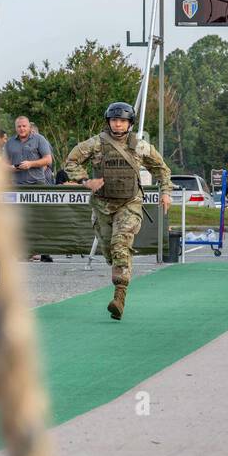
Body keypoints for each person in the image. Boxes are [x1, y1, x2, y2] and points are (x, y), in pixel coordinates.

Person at [64, 102, 171, 319]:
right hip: (102, 206)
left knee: (120, 245)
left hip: (129, 204)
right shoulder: (95, 144)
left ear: (129, 123)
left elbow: (161, 168)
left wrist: (166, 191)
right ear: (109, 122)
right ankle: (118, 272)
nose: (118, 124)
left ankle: (119, 296)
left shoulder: (139, 146)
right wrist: (86, 181)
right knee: (109, 251)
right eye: (114, 120)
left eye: (122, 121)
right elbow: (71, 161)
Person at [5, 115, 54, 186]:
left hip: (37, 184)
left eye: (24, 126)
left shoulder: (39, 139)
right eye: (19, 126)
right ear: (15, 128)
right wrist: (10, 168)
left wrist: (30, 164)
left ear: (29, 127)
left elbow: (48, 160)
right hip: (15, 185)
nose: (21, 128)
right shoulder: (9, 142)